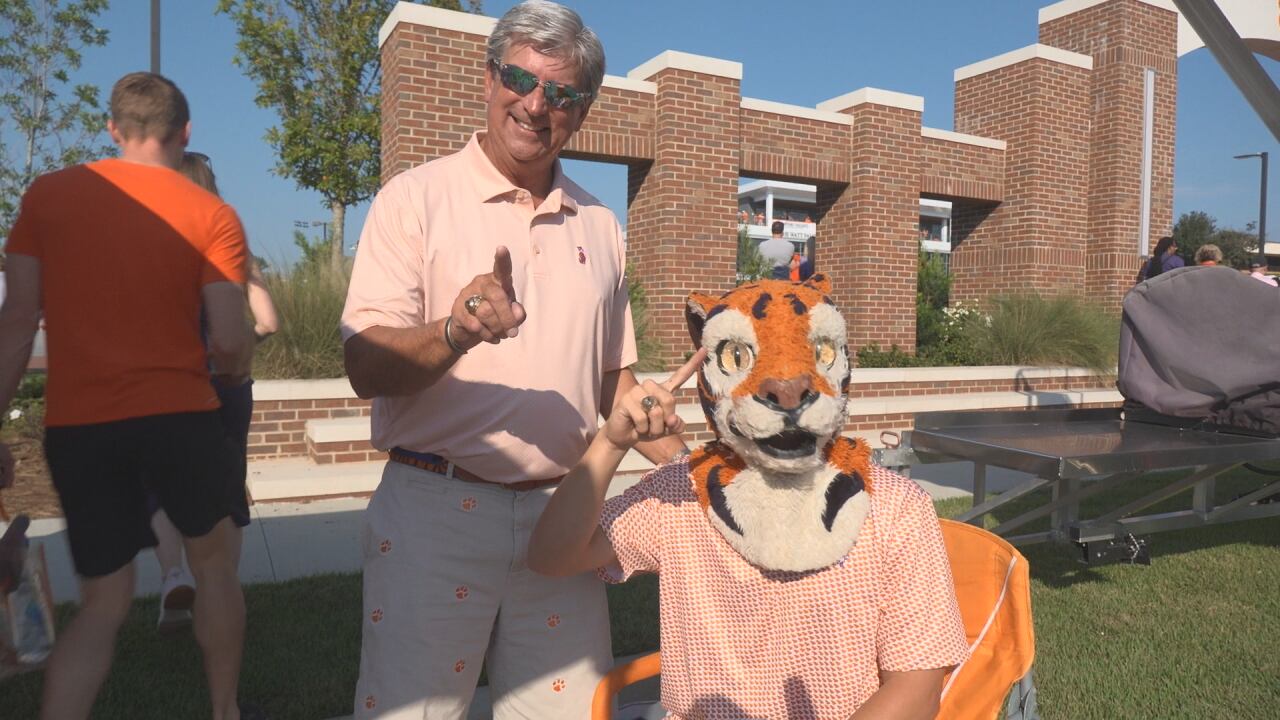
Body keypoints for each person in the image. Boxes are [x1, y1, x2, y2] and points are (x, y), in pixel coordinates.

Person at [339, 2, 688, 717]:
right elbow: (364, 367)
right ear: (489, 74)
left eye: (560, 94)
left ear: (583, 109)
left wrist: (702, 476)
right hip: (434, 510)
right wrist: (457, 330)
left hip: (564, 519)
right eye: (519, 79)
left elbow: (611, 387)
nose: (535, 105)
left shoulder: (600, 224)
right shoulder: (415, 199)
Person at [528, 277, 968, 719]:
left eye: (821, 353)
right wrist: (609, 444)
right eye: (736, 357)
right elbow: (552, 556)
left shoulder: (896, 508)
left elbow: (917, 684)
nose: (787, 386)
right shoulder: (679, 493)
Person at [0, 72, 258, 720]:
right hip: (183, 419)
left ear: (113, 129)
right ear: (186, 132)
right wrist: (230, 374)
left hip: (81, 427)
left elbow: (15, 322)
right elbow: (229, 339)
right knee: (215, 571)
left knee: (104, 605)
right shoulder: (212, 214)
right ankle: (225, 711)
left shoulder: (48, 197)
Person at [148, 151, 280, 634]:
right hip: (229, 387)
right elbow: (268, 321)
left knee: (161, 486)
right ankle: (222, 590)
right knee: (228, 493)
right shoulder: (232, 245)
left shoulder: (152, 246)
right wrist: (243, 344)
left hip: (167, 387)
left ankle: (173, 577)